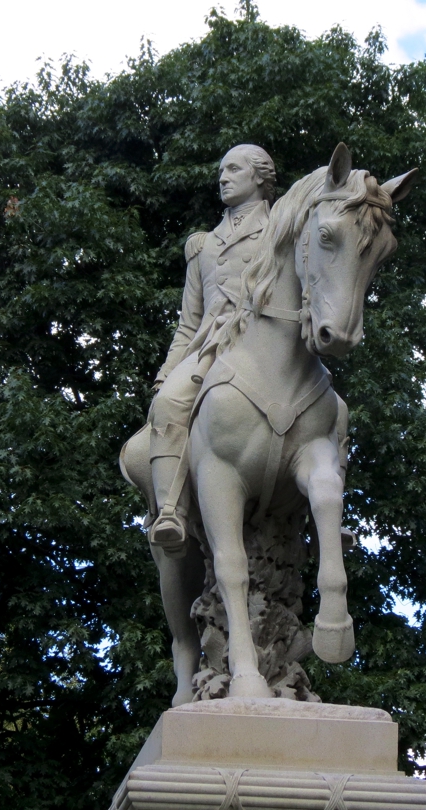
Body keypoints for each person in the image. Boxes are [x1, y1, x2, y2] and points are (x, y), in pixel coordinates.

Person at [147, 144, 277, 554]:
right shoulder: (202, 245)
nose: (222, 178)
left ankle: (331, 516)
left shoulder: (283, 229)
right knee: (167, 405)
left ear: (259, 177)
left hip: (266, 344)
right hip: (210, 348)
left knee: (336, 411)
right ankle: (172, 513)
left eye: (233, 170)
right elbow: (189, 321)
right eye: (221, 171)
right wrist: (167, 371)